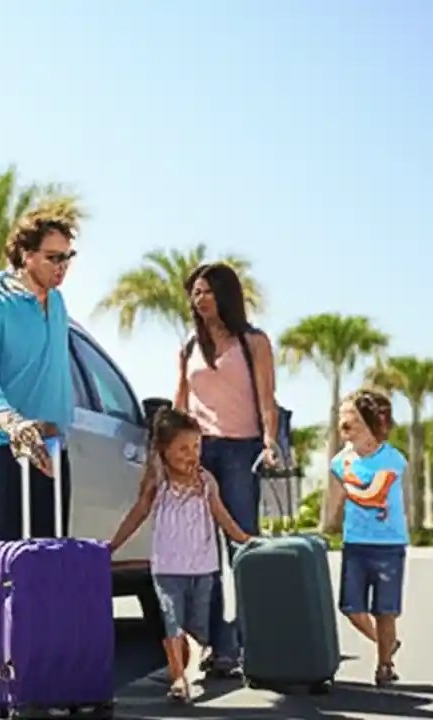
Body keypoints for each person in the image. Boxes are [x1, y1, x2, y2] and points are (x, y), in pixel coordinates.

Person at [173, 262, 280, 679]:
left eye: (206, 291)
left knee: (243, 549)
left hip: (241, 450)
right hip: (199, 454)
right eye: (195, 293)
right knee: (204, 557)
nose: (199, 299)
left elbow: (267, 398)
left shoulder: (253, 341)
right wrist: (169, 453)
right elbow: (180, 401)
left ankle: (255, 642)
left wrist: (270, 442)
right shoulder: (188, 346)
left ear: (225, 295)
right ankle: (217, 647)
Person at [108, 408, 252, 703]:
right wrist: (112, 546)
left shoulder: (206, 481)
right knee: (172, 619)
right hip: (168, 567)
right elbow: (138, 514)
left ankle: (189, 660)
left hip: (203, 567)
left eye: (196, 447)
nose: (192, 454)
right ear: (164, 449)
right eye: (184, 448)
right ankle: (177, 677)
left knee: (198, 625)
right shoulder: (157, 481)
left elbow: (221, 515)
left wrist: (245, 540)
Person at [0, 210, 78, 544]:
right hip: (5, 445)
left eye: (67, 257)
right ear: (26, 255)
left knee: (52, 555)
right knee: (11, 554)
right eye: (53, 257)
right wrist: (14, 424)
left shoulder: (57, 302)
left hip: (52, 444)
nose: (62, 267)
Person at [326, 388, 408, 687]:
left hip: (389, 546)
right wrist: (326, 531)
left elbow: (379, 495)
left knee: (385, 610)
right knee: (351, 608)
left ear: (373, 426)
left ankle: (385, 664)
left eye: (351, 423)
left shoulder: (393, 460)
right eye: (342, 422)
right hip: (355, 545)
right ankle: (385, 643)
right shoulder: (339, 462)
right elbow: (336, 500)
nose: (344, 429)